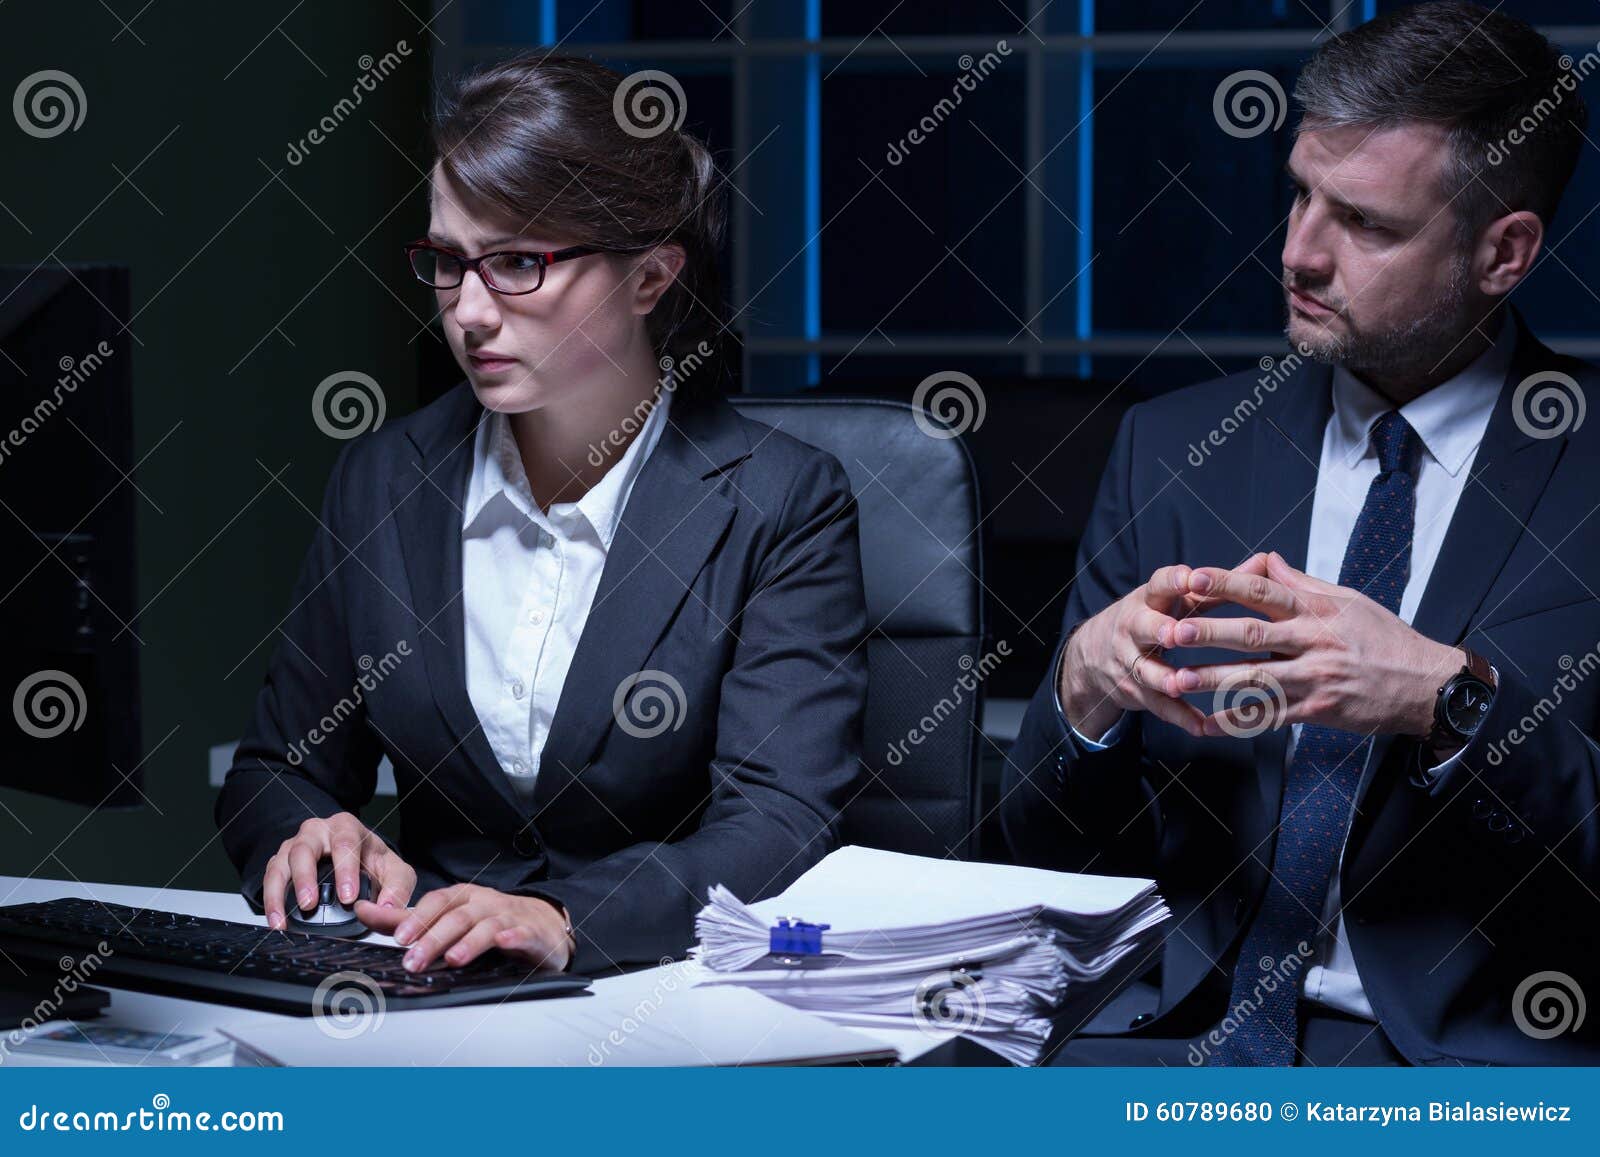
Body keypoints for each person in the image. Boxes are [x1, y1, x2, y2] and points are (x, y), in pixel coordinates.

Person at [1004, 2, 1599, 1066]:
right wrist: (1080, 699)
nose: (1299, 252)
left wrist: (1445, 701)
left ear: (1503, 252)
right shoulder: (1172, 447)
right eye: (1299, 193)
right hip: (1169, 1039)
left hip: (1475, 1061)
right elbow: (1051, 854)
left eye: (1365, 224)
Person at [216, 54, 868, 978]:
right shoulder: (381, 479)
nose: (469, 312)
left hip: (661, 998)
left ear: (650, 279)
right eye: (448, 262)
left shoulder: (782, 500)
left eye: (518, 262)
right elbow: (275, 768)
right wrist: (308, 835)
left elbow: (780, 820)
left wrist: (565, 917)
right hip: (414, 989)